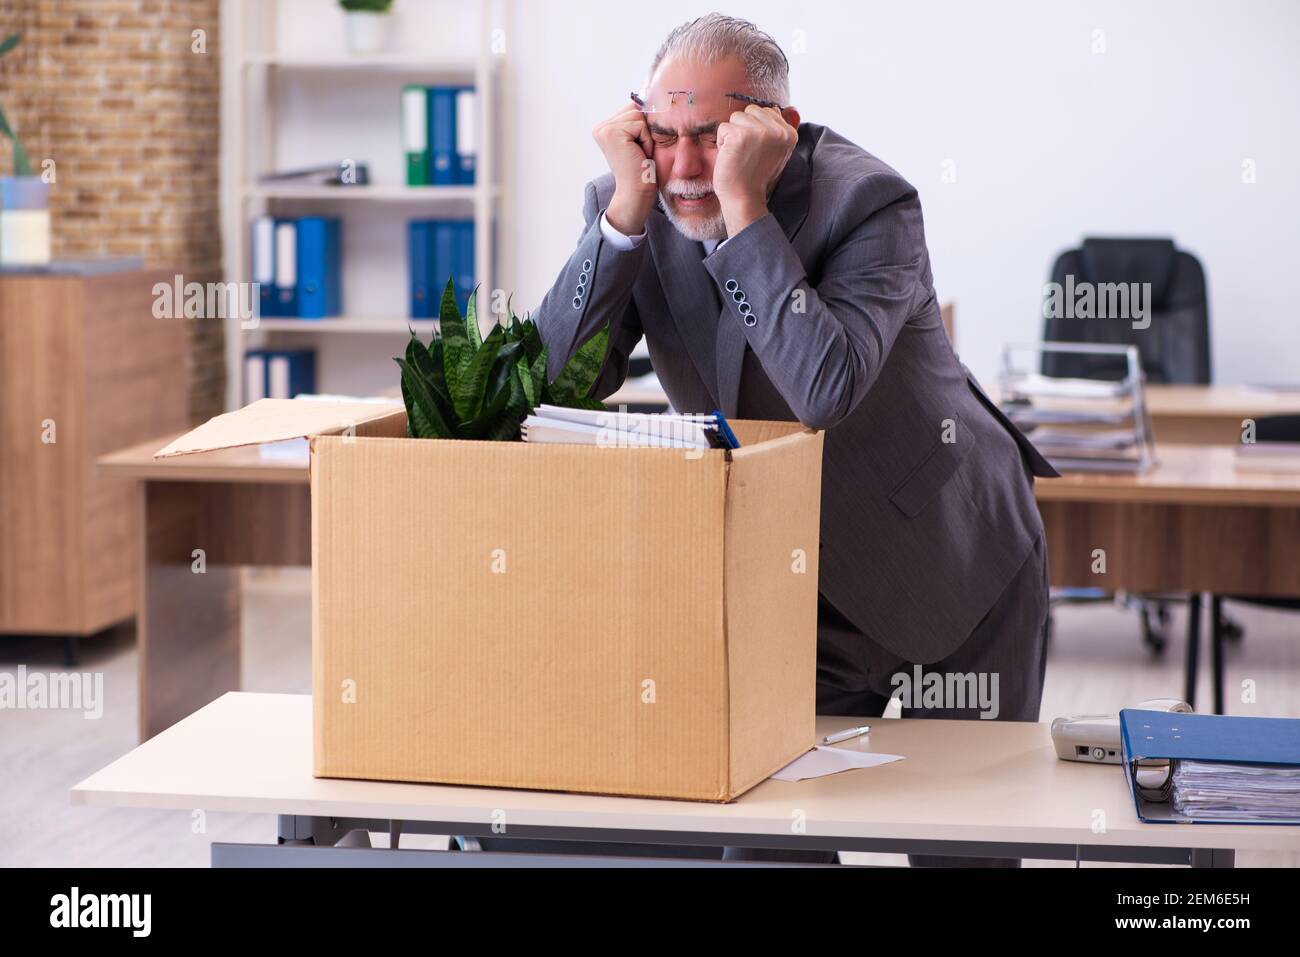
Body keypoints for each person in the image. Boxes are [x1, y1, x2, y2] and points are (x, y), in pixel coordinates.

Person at [485, 12, 1057, 867]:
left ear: (773, 128)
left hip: (951, 562)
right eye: (663, 135)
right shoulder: (638, 199)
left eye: (708, 139)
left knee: (962, 846)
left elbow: (822, 389)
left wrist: (743, 208)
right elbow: (541, 386)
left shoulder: (871, 204)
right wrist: (622, 218)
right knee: (767, 843)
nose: (681, 167)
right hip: (794, 586)